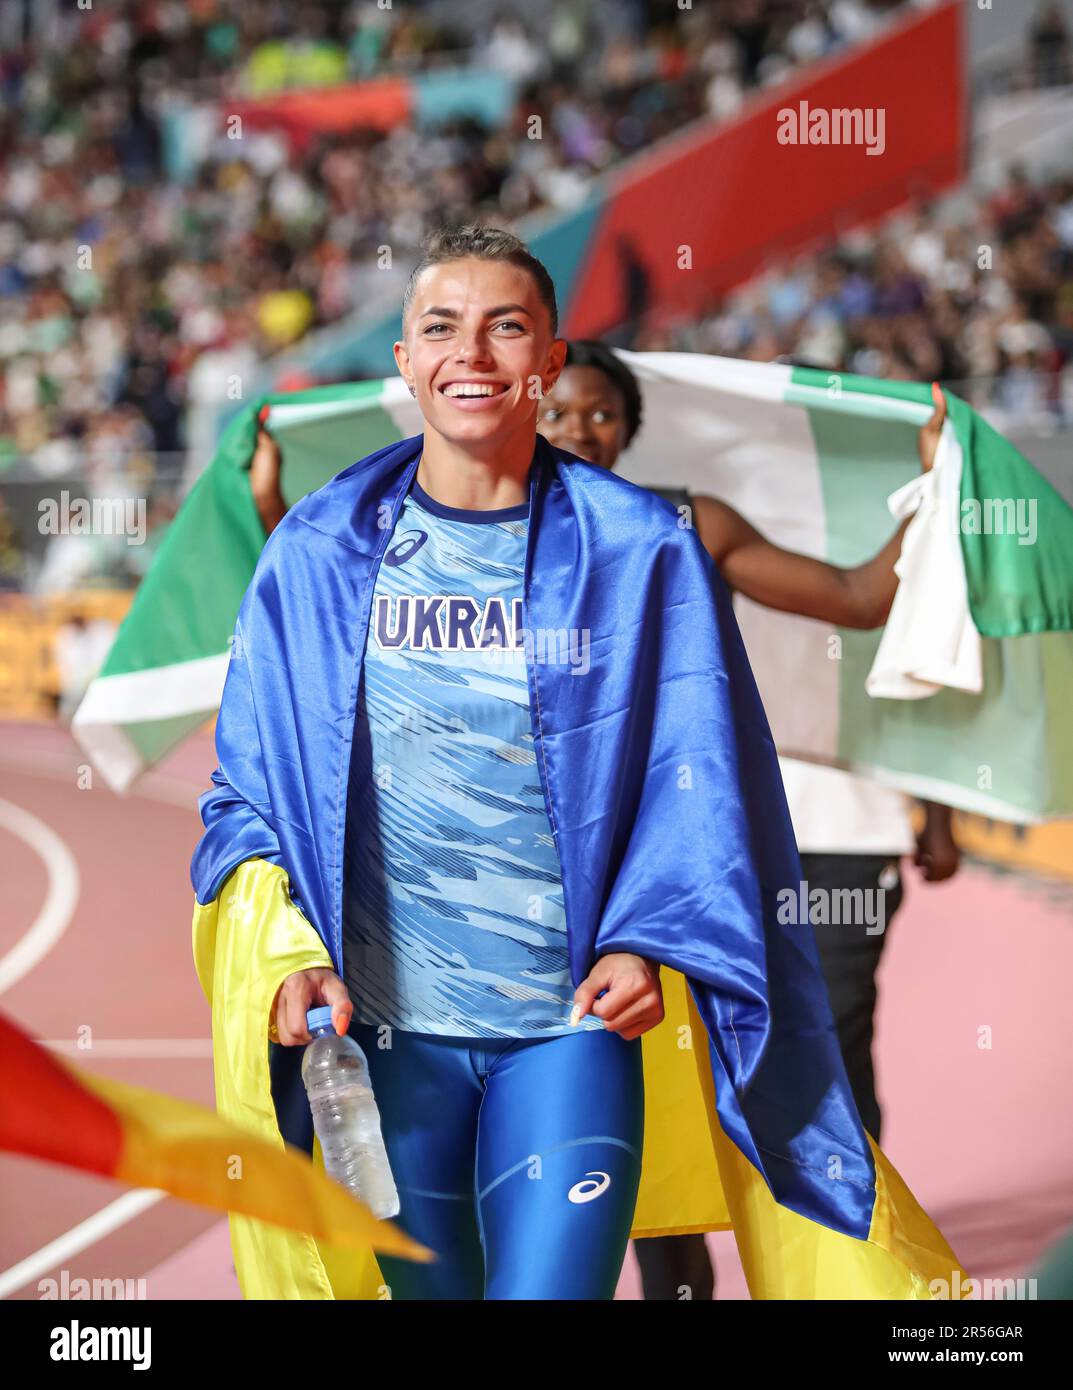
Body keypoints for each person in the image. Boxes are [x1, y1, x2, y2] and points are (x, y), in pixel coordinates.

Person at [192, 224, 964, 1302]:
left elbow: (697, 771)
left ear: (548, 360)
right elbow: (249, 793)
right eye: (439, 328)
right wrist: (284, 953)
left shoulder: (643, 547)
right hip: (381, 1036)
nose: (472, 353)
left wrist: (649, 936)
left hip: (571, 1031)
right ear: (403, 362)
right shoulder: (319, 552)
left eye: (506, 327)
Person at [533, 338, 957, 1299]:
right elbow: (336, 585)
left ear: (630, 429)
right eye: (556, 412)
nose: (577, 430)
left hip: (679, 866)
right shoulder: (467, 528)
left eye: (600, 413)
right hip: (547, 874)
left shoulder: (683, 524)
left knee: (710, 1088)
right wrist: (258, 503)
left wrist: (933, 487)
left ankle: (845, 1270)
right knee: (611, 1112)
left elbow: (856, 597)